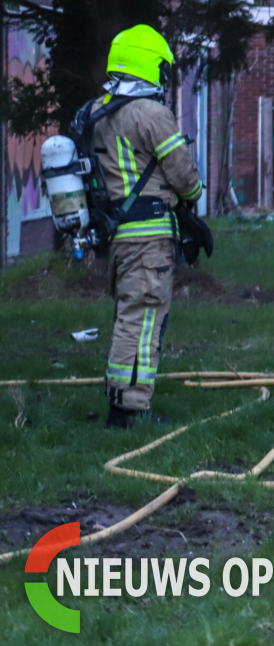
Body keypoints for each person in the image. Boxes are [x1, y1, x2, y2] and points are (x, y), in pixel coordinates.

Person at [85, 25, 204, 428]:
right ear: (150, 65)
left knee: (129, 313)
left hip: (118, 234)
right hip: (149, 235)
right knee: (145, 315)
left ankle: (123, 399)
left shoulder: (98, 112)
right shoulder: (150, 113)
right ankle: (130, 409)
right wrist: (194, 195)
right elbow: (185, 176)